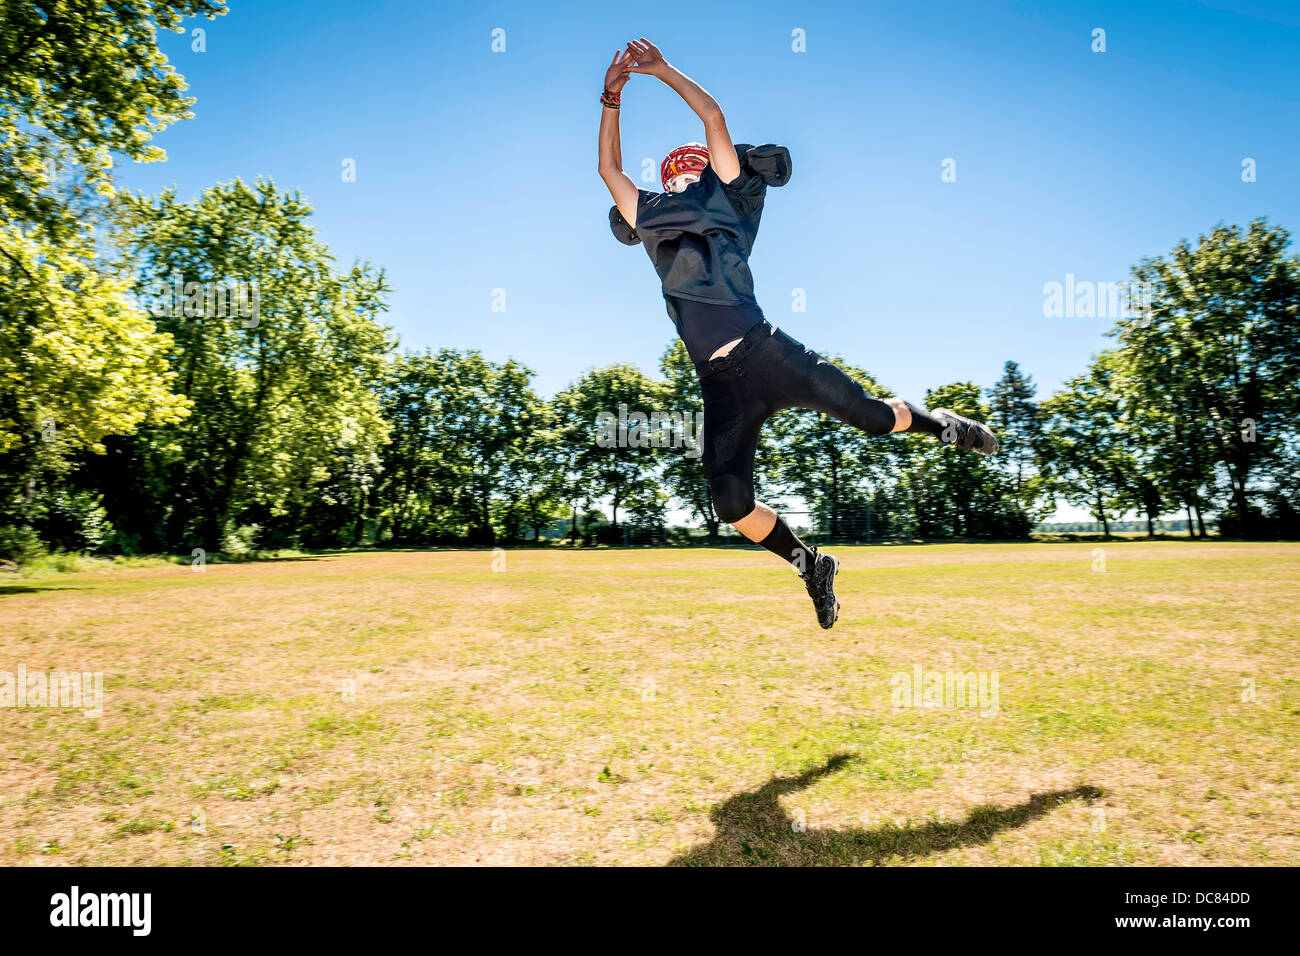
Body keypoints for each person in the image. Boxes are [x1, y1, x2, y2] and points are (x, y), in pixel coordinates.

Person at [598, 39, 998, 629]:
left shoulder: (730, 196)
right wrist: (611, 94)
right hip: (720, 381)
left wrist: (659, 72)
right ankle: (810, 564)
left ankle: (943, 425)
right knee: (731, 503)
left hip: (768, 352)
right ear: (663, 178)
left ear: (705, 165)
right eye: (675, 166)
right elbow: (608, 169)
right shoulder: (651, 219)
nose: (684, 167)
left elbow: (712, 117)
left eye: (694, 161)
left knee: (871, 416)